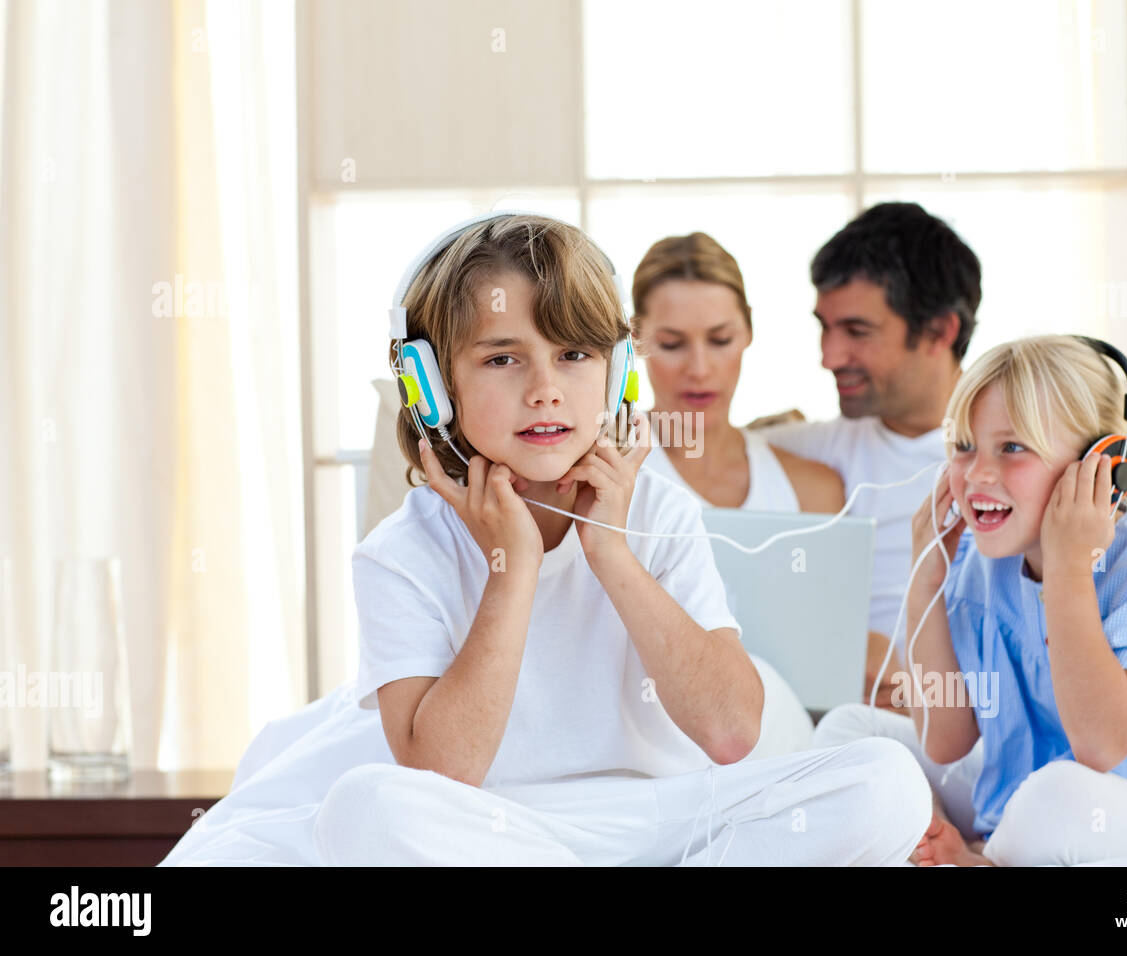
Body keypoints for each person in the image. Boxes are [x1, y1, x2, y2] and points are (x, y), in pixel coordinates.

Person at [310, 213, 932, 865]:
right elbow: (442, 773)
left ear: (619, 373)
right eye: (502, 358)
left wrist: (610, 547)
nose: (546, 391)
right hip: (503, 827)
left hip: (671, 815)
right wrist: (512, 569)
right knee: (362, 811)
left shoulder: (657, 509)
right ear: (432, 387)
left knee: (886, 781)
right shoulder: (401, 552)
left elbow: (730, 733)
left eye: (574, 355)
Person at [813, 335, 1127, 866]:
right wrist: (927, 581)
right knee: (848, 732)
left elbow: (1100, 746)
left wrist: (1069, 569)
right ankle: (938, 843)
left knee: (1058, 797)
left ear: (1107, 464)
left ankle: (978, 857)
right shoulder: (980, 565)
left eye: (1013, 448)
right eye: (964, 446)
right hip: (1030, 783)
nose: (976, 474)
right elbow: (944, 740)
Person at [758, 202, 982, 706]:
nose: (829, 356)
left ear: (939, 331)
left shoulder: (1022, 459)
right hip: (846, 720)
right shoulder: (807, 451)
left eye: (857, 332)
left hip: (970, 721)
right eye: (825, 326)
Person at [632, 232, 843, 513]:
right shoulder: (594, 480)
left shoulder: (811, 491)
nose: (700, 369)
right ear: (634, 338)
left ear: (749, 329)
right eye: (672, 344)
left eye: (721, 340)